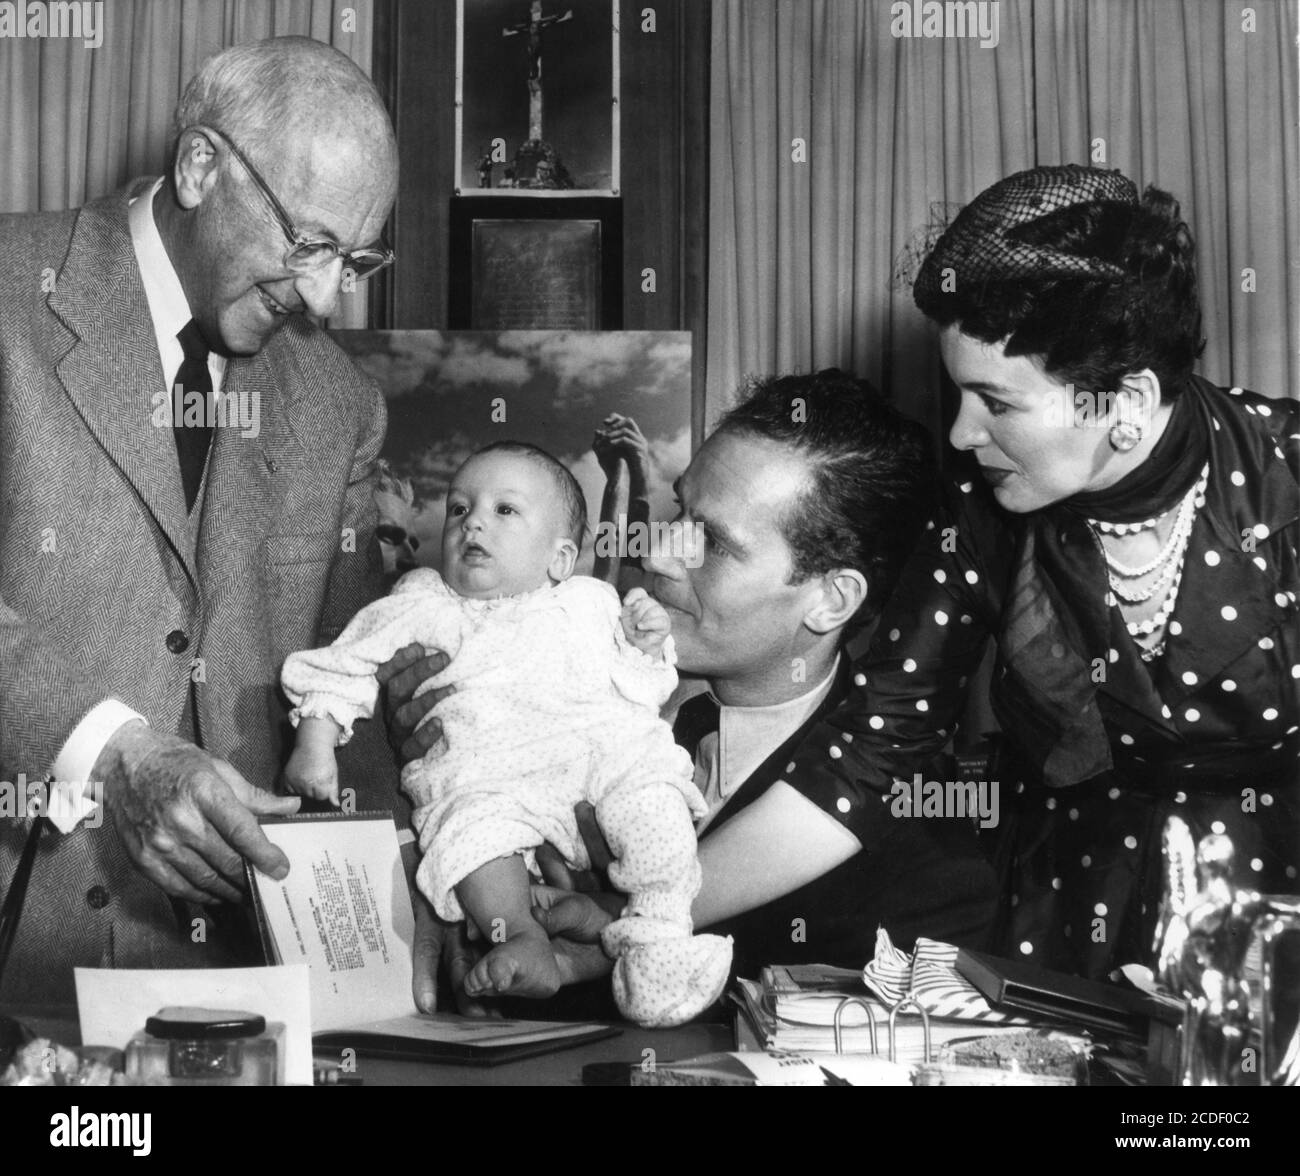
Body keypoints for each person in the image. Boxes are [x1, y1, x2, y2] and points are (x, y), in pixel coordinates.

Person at [763, 165, 1299, 981]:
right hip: (1065, 913)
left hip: (1280, 911)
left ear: (1123, 401)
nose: (961, 434)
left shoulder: (1286, 472)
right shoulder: (982, 507)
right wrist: (653, 909)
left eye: (997, 403)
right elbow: (868, 756)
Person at [0, 37, 401, 1003]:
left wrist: (411, 903)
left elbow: (352, 680)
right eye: (307, 243)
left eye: (353, 259)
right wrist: (106, 750)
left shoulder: (339, 405)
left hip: (229, 989)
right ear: (200, 166)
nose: (321, 295)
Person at [398, 371, 1000, 1012]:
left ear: (830, 599)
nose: (657, 555)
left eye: (712, 542)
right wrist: (432, 885)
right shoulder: (567, 680)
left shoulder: (927, 871)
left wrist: (605, 929)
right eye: (680, 510)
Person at [281, 443, 732, 1027]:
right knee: (469, 834)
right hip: (487, 774)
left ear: (560, 558)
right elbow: (347, 662)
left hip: (599, 759)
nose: (473, 522)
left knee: (656, 804)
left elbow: (640, 689)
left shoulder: (590, 602)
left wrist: (645, 645)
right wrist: (315, 740)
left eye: (504, 511)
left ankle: (658, 934)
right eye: (460, 509)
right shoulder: (422, 602)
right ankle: (520, 936)